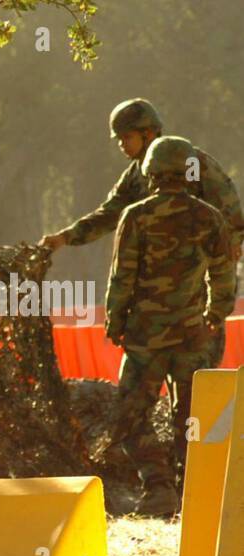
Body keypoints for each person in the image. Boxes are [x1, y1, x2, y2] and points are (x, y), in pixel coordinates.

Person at [40, 99, 243, 362]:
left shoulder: (190, 163)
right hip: (155, 292)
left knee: (198, 369)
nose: (122, 145)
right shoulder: (136, 174)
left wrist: (232, 242)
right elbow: (109, 213)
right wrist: (65, 237)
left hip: (196, 281)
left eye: (127, 137)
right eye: (119, 139)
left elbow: (225, 203)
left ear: (148, 133)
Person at [104, 136, 238, 517]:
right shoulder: (209, 217)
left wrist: (115, 321)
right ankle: (194, 494)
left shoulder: (137, 216)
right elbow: (224, 275)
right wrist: (214, 315)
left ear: (151, 172)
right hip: (194, 337)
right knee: (192, 418)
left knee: (131, 413)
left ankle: (159, 486)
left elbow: (121, 277)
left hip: (145, 339)